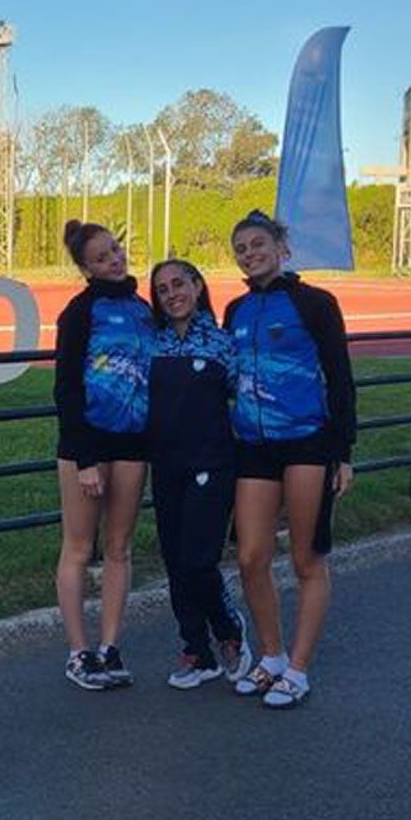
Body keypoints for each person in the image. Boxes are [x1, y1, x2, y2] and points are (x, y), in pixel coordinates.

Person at [223, 210, 356, 709]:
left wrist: (342, 452)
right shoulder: (235, 310)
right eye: (241, 248)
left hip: (307, 443)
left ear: (282, 247)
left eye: (258, 244)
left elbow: (340, 378)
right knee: (251, 557)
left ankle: (298, 670)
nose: (250, 254)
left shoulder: (316, 303)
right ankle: (272, 656)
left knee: (306, 558)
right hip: (253, 447)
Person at [54, 220, 154, 690]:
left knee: (119, 548)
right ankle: (78, 652)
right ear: (85, 268)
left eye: (115, 249)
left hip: (134, 444)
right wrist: (84, 456)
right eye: (101, 258)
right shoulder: (79, 312)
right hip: (87, 446)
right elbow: (67, 387)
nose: (114, 260)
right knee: (78, 548)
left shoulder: (141, 309)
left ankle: (110, 647)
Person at [148, 259, 252, 690]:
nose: (172, 293)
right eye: (162, 289)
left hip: (212, 464)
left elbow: (243, 400)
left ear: (197, 285)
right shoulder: (152, 344)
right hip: (166, 465)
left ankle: (228, 629)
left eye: (179, 283)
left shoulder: (223, 344)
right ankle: (197, 650)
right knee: (175, 562)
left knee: (198, 559)